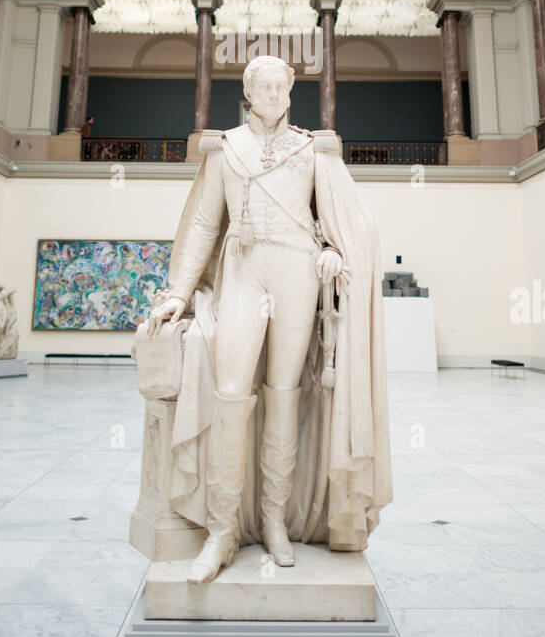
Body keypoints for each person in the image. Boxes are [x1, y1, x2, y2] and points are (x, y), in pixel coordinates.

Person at [147, 54, 391, 585]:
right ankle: (222, 529)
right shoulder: (225, 149)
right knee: (232, 393)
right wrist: (179, 292)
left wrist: (332, 248)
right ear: (249, 92)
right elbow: (204, 226)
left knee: (284, 392)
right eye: (267, 88)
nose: (277, 96)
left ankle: (276, 520)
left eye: (284, 88)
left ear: (290, 92)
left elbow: (338, 219)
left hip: (298, 269)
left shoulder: (312, 149)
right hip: (243, 267)